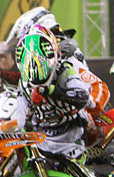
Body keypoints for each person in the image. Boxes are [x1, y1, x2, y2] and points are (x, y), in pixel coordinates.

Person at [13, 25, 91, 160]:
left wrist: (52, 91)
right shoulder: (24, 84)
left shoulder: (64, 70)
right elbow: (23, 125)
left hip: (72, 140)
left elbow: (83, 96)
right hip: (43, 142)